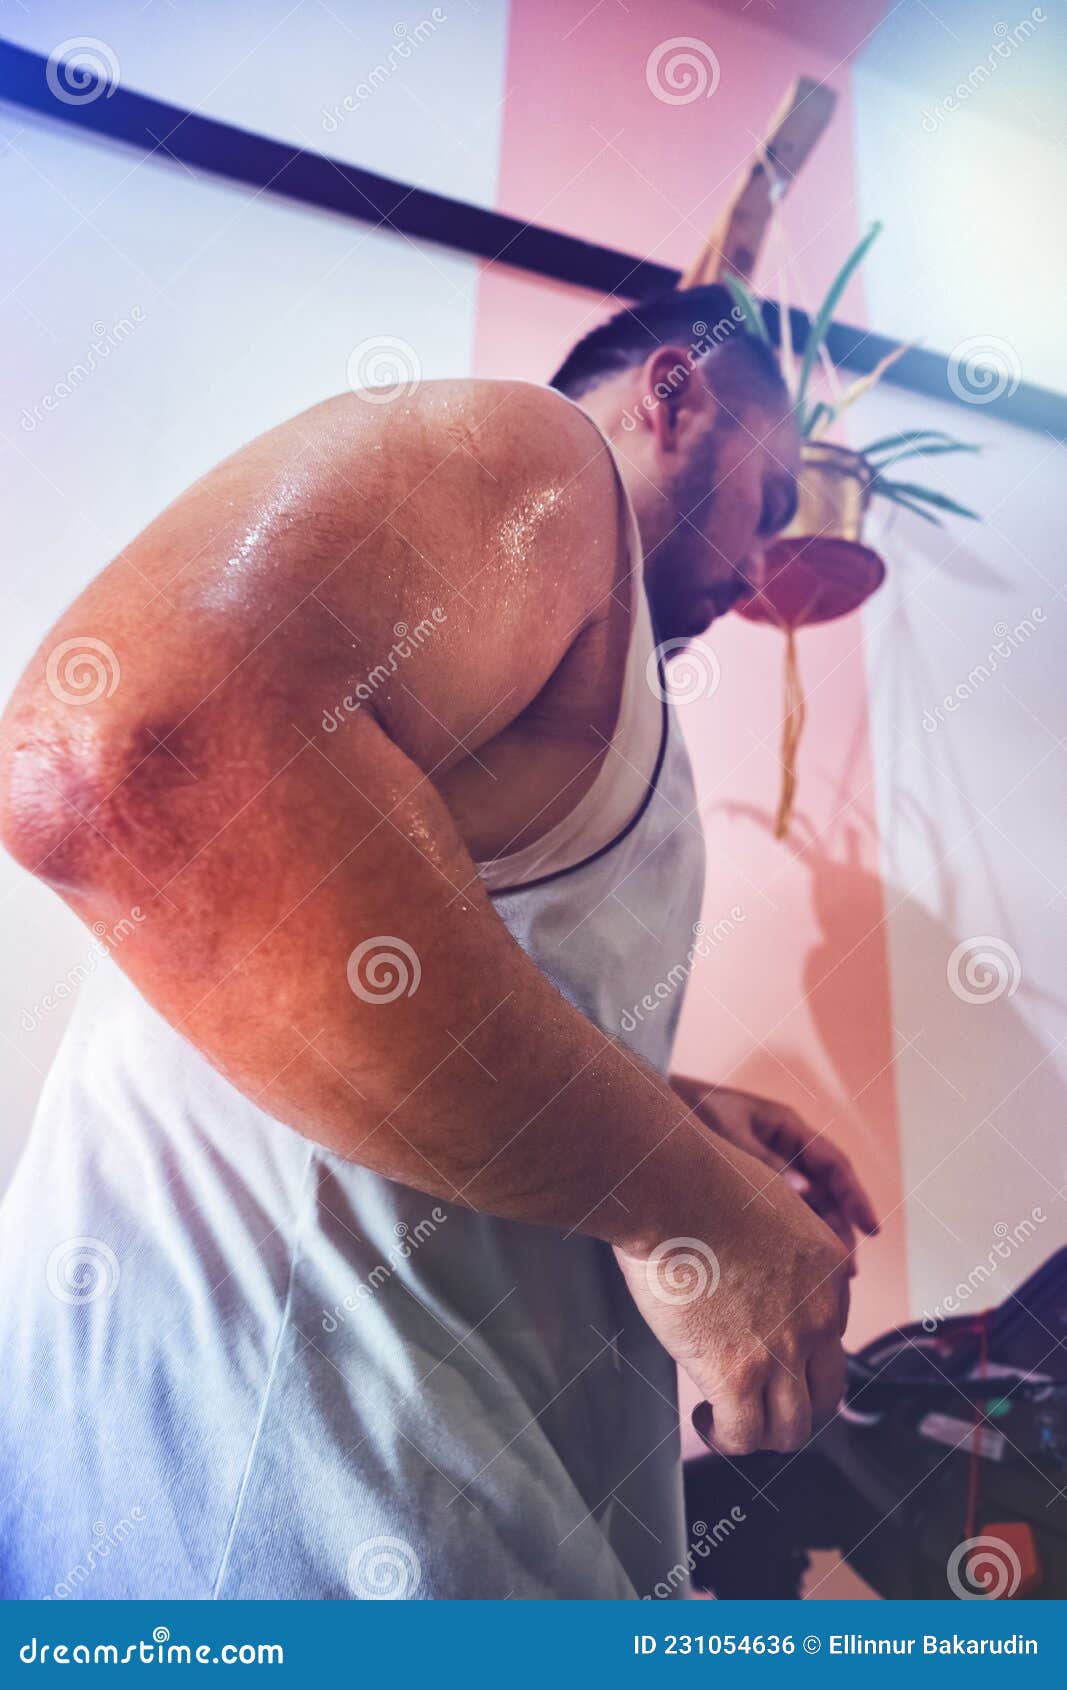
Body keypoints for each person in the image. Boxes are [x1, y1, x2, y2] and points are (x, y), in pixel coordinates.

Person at [0, 285, 877, 1600]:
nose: (763, 572)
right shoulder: (546, 465)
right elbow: (131, 767)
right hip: (276, 1508)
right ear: (677, 394)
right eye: (771, 502)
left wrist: (672, 1118)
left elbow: (403, 972)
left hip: (398, 1510)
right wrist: (689, 1206)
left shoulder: (592, 640)